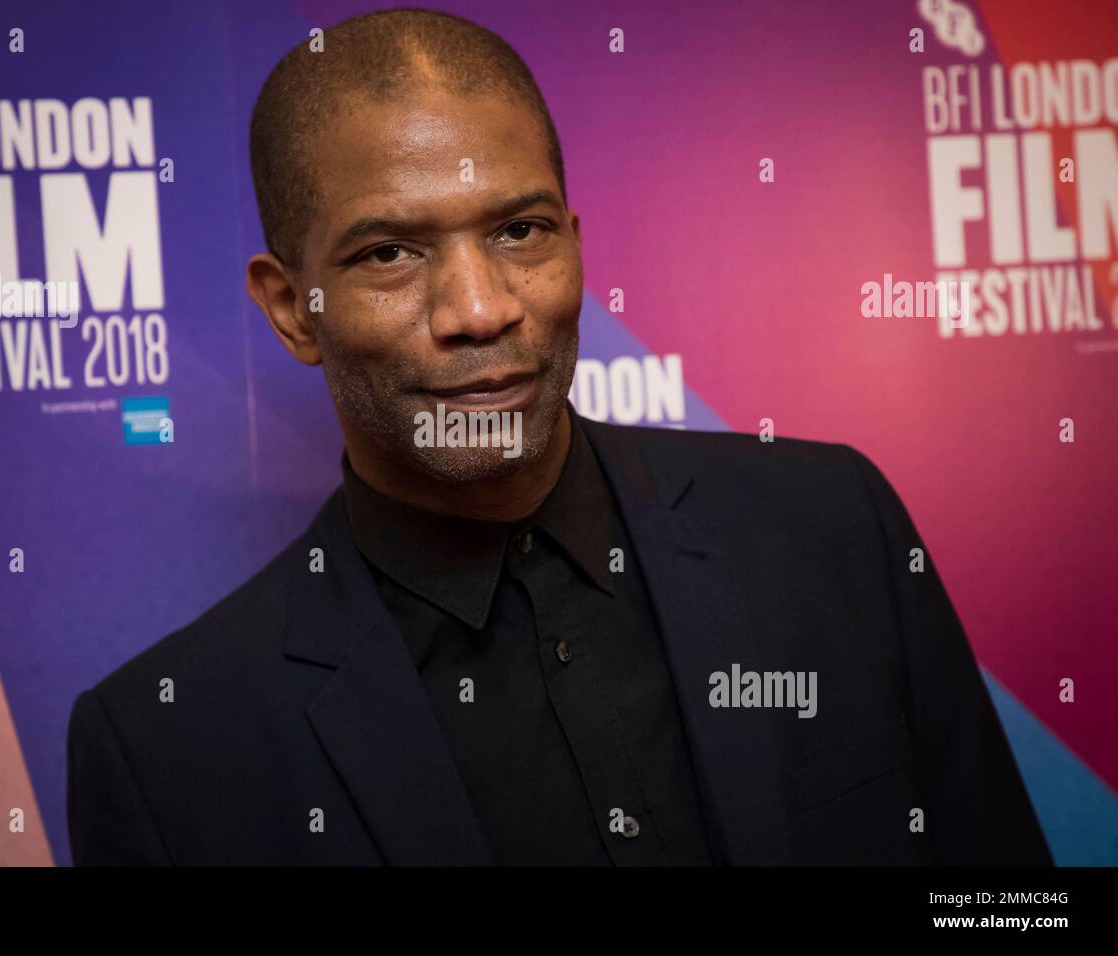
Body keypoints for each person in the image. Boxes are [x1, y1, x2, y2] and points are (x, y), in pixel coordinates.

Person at [66, 8, 1052, 866]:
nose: (480, 308)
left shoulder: (837, 533)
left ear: (576, 241)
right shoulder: (172, 744)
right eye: (389, 252)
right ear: (290, 308)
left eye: (519, 231)